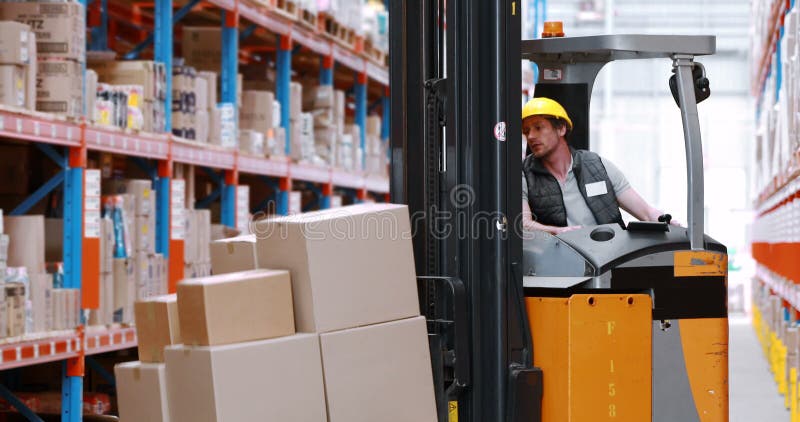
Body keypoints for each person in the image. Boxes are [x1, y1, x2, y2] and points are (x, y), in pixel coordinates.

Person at [521, 97, 674, 235]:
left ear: (561, 128)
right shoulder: (523, 174)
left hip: (609, 257)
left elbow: (646, 213)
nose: (531, 136)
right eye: (526, 131)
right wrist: (558, 232)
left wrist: (669, 223)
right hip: (559, 259)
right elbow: (524, 224)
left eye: (538, 128)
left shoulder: (597, 166)